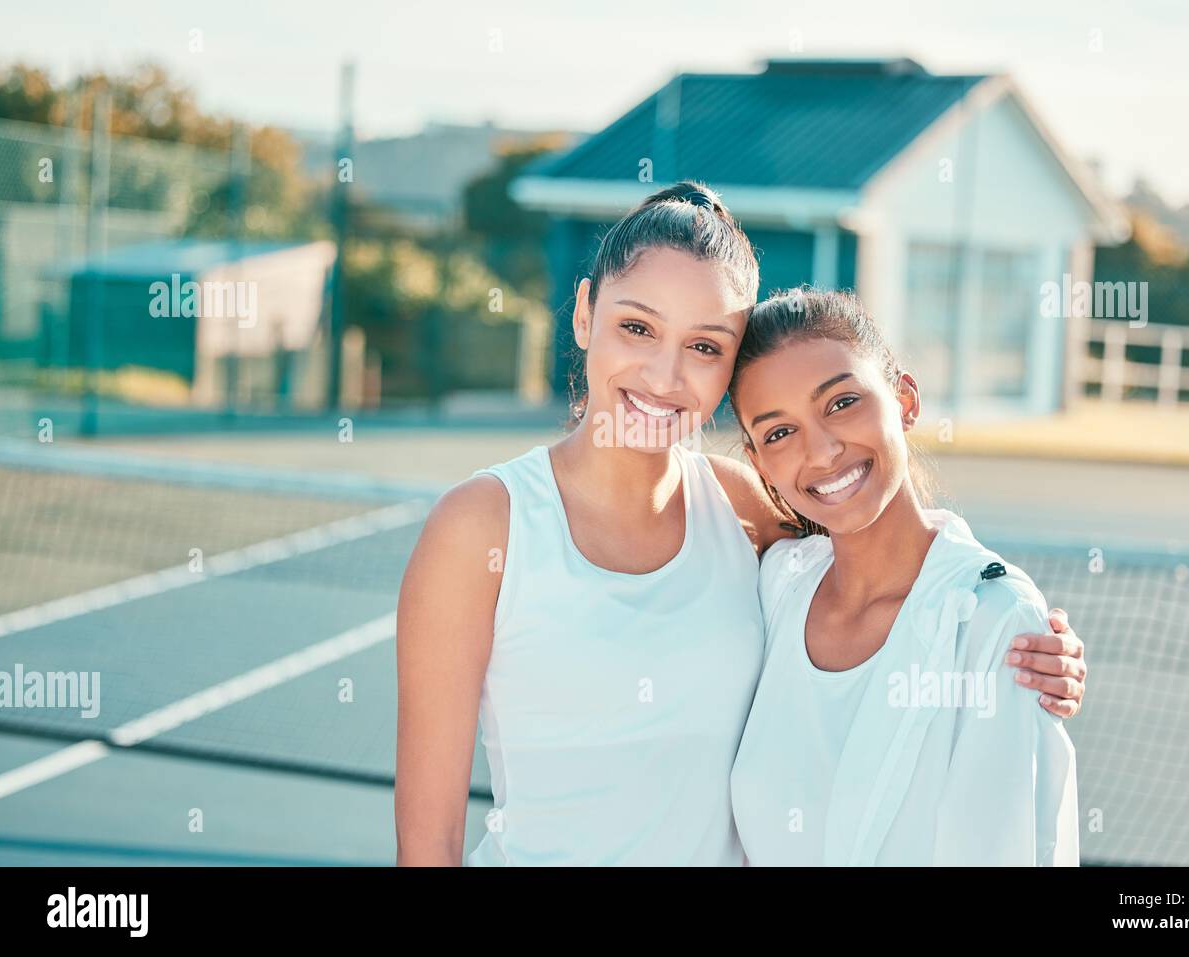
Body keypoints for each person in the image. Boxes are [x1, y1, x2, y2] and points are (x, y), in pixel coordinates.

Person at [394, 183, 1086, 866]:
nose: (664, 376)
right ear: (583, 313)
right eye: (637, 327)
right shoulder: (482, 526)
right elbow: (428, 845)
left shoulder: (742, 505)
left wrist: (1014, 626)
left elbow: (872, 541)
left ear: (729, 368)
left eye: (704, 346)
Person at [728, 289, 1078, 865]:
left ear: (905, 400)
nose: (822, 451)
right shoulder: (774, 589)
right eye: (779, 433)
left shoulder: (995, 620)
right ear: (757, 459)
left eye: (841, 403)